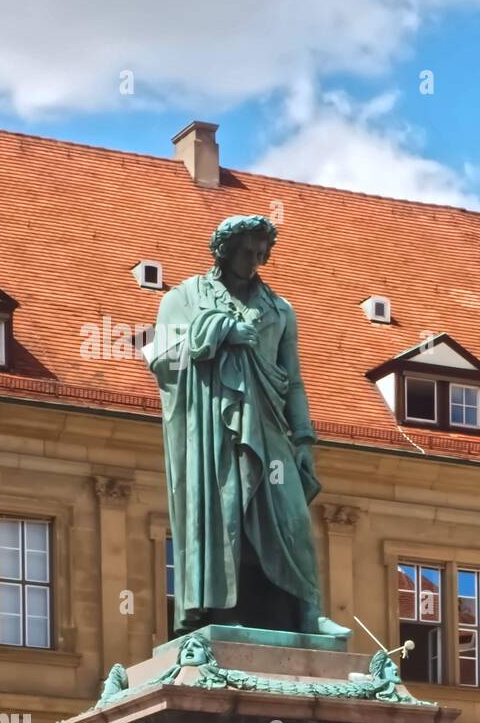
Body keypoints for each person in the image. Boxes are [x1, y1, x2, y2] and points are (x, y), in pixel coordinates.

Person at [148, 214, 348, 637]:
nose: (254, 262)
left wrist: (305, 439)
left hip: (271, 427)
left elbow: (292, 379)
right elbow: (164, 361)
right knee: (225, 514)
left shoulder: (279, 310)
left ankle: (306, 611)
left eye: (261, 254)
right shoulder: (183, 299)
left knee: (292, 518)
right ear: (224, 250)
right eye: (246, 252)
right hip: (212, 430)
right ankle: (218, 611)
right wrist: (218, 335)